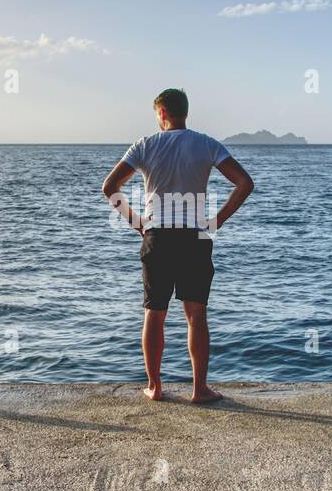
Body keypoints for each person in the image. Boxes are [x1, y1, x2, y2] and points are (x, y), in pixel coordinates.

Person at [101, 89, 254, 404]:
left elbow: (110, 187)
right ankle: (199, 390)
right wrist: (217, 221)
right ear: (185, 112)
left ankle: (155, 387)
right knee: (196, 314)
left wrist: (137, 222)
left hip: (157, 236)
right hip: (194, 237)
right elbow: (244, 183)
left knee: (154, 313)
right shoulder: (206, 144)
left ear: (161, 113)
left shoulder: (145, 145)